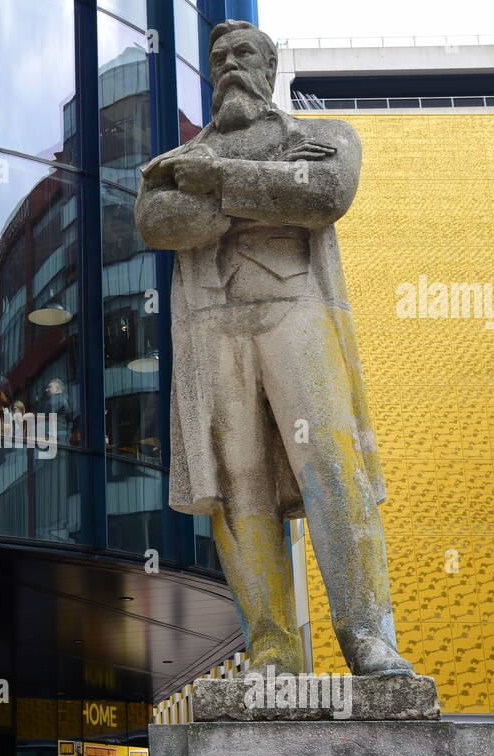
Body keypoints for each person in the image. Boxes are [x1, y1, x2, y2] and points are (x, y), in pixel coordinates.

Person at [134, 19, 413, 678]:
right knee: (238, 485)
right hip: (212, 326)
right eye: (219, 56)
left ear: (269, 66)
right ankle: (272, 648)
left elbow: (323, 193)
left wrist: (214, 180)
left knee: (331, 468)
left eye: (243, 54)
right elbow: (158, 221)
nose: (229, 63)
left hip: (297, 314)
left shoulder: (320, 136)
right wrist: (258, 189)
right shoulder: (178, 161)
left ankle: (366, 634)